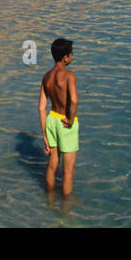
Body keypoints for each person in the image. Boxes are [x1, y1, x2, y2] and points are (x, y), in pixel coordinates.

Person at [38, 37, 79, 196]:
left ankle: (49, 199)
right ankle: (66, 209)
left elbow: (41, 108)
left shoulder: (46, 77)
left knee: (52, 165)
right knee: (68, 171)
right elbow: (74, 101)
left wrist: (44, 134)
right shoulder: (69, 76)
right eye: (71, 53)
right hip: (64, 123)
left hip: (51, 120)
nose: (72, 56)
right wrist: (70, 119)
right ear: (65, 57)